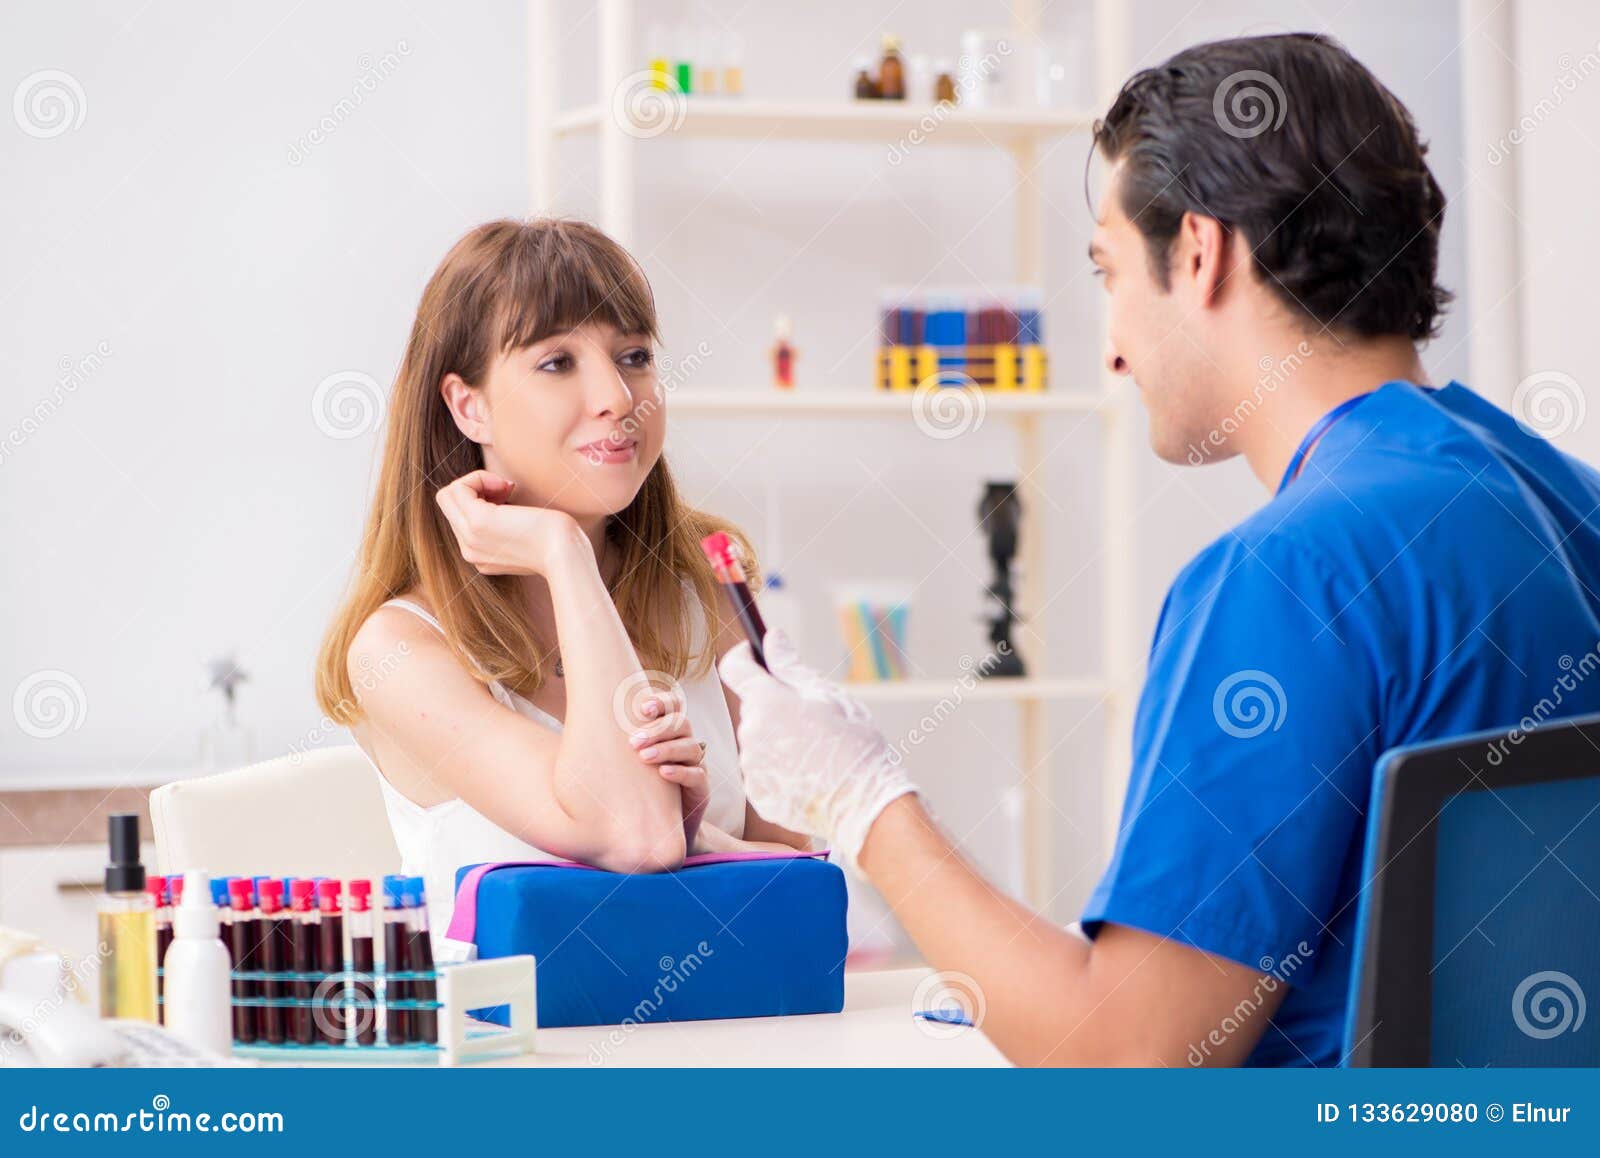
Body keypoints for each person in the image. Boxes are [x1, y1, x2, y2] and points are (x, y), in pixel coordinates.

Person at [717, 33, 1600, 1066]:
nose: (1112, 347)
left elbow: (1128, 1063)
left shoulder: (1288, 578)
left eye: (1107, 272)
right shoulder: (1561, 497)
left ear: (1197, 251)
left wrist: (860, 802)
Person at [314, 219, 807, 942]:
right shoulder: (397, 650)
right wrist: (562, 553)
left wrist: (702, 841)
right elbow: (632, 834)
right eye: (557, 363)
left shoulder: (706, 581)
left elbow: (803, 882)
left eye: (633, 356)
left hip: (734, 1032)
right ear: (467, 404)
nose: (616, 396)